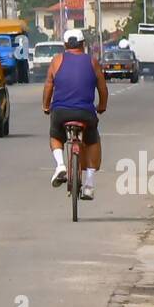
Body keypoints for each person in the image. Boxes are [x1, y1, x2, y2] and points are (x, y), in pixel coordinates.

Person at [43, 30, 108, 201]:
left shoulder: (57, 60)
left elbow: (49, 86)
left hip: (61, 112)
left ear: (65, 45)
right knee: (92, 140)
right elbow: (102, 88)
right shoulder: (92, 61)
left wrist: (45, 106)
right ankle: (89, 185)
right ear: (83, 44)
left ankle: (60, 164)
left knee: (55, 134)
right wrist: (102, 106)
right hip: (86, 112)